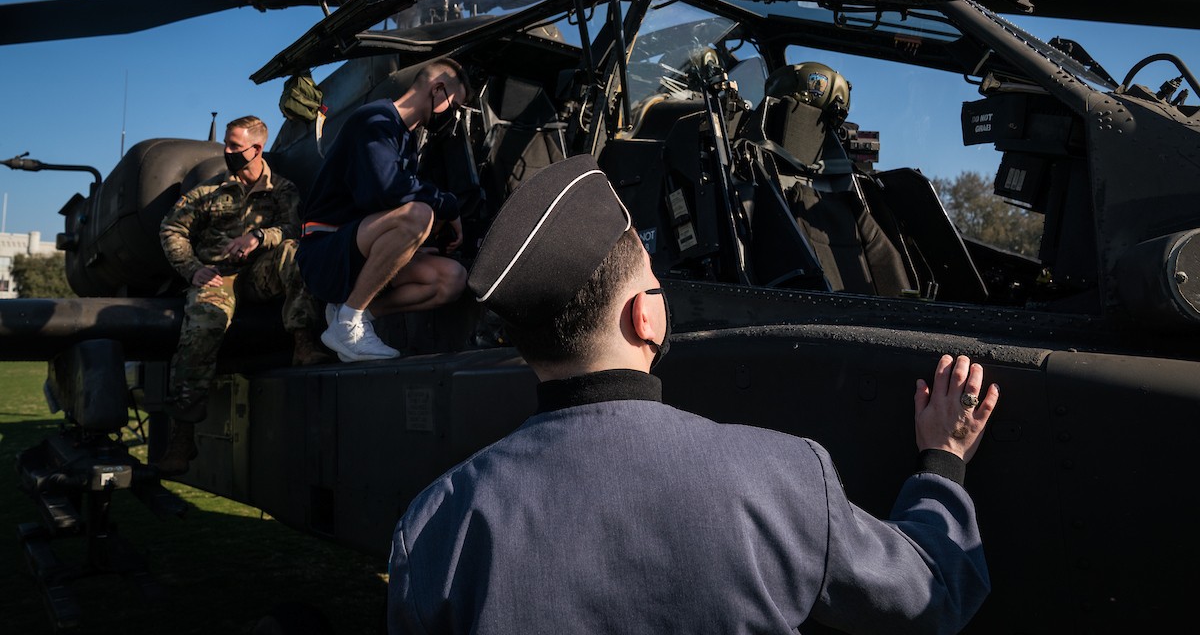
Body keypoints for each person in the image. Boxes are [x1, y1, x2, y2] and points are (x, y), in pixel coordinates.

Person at [387, 155, 1001, 634]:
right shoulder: (781, 475)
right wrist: (942, 467)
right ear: (645, 319)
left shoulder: (436, 524)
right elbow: (932, 598)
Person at [157, 115, 323, 475]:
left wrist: (261, 237)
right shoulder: (212, 190)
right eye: (227, 145)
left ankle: (303, 343)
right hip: (218, 278)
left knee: (296, 250)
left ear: (257, 148)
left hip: (260, 274)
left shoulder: (283, 190)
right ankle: (182, 436)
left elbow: (295, 226)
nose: (227, 152)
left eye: (234, 146)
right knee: (200, 328)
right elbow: (172, 227)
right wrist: (192, 269)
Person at [297, 59, 471, 362]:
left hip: (357, 247)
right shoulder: (375, 120)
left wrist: (410, 249)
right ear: (438, 89)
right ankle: (349, 323)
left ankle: (348, 315)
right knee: (419, 215)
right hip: (326, 251)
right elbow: (384, 190)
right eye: (455, 105)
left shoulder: (405, 138)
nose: (454, 116)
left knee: (451, 279)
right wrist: (448, 205)